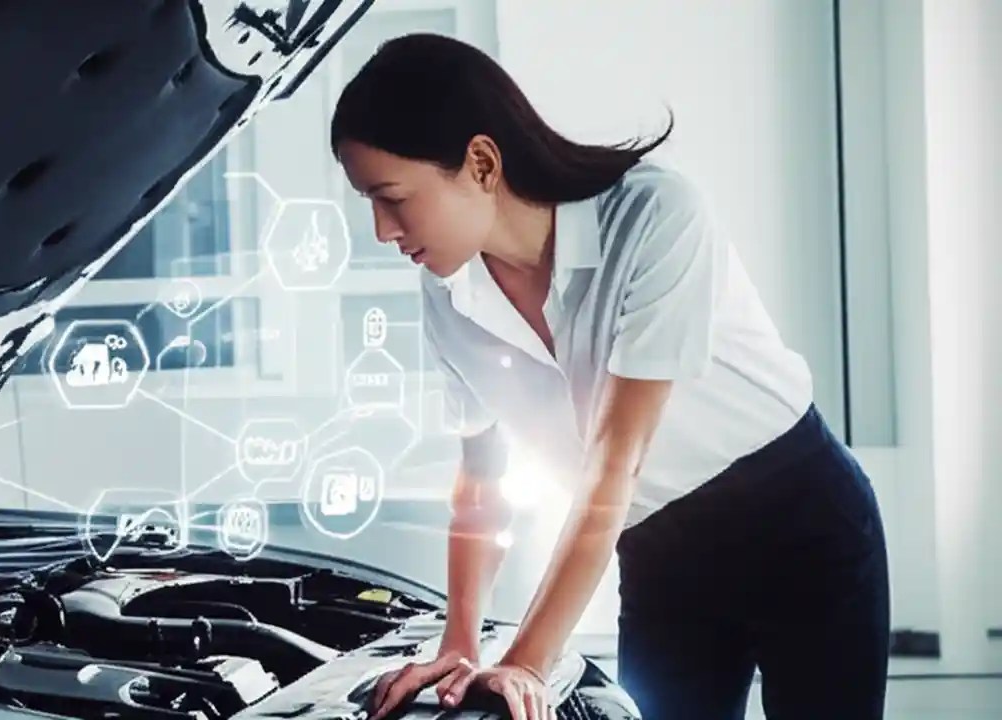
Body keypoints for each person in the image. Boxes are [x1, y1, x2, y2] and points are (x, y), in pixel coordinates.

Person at [329, 33, 890, 720]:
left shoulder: (656, 217)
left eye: (391, 198)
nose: (382, 231)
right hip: (658, 550)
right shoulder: (446, 293)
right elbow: (481, 479)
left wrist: (525, 664)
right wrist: (460, 642)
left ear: (480, 163)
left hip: (796, 518)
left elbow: (613, 464)